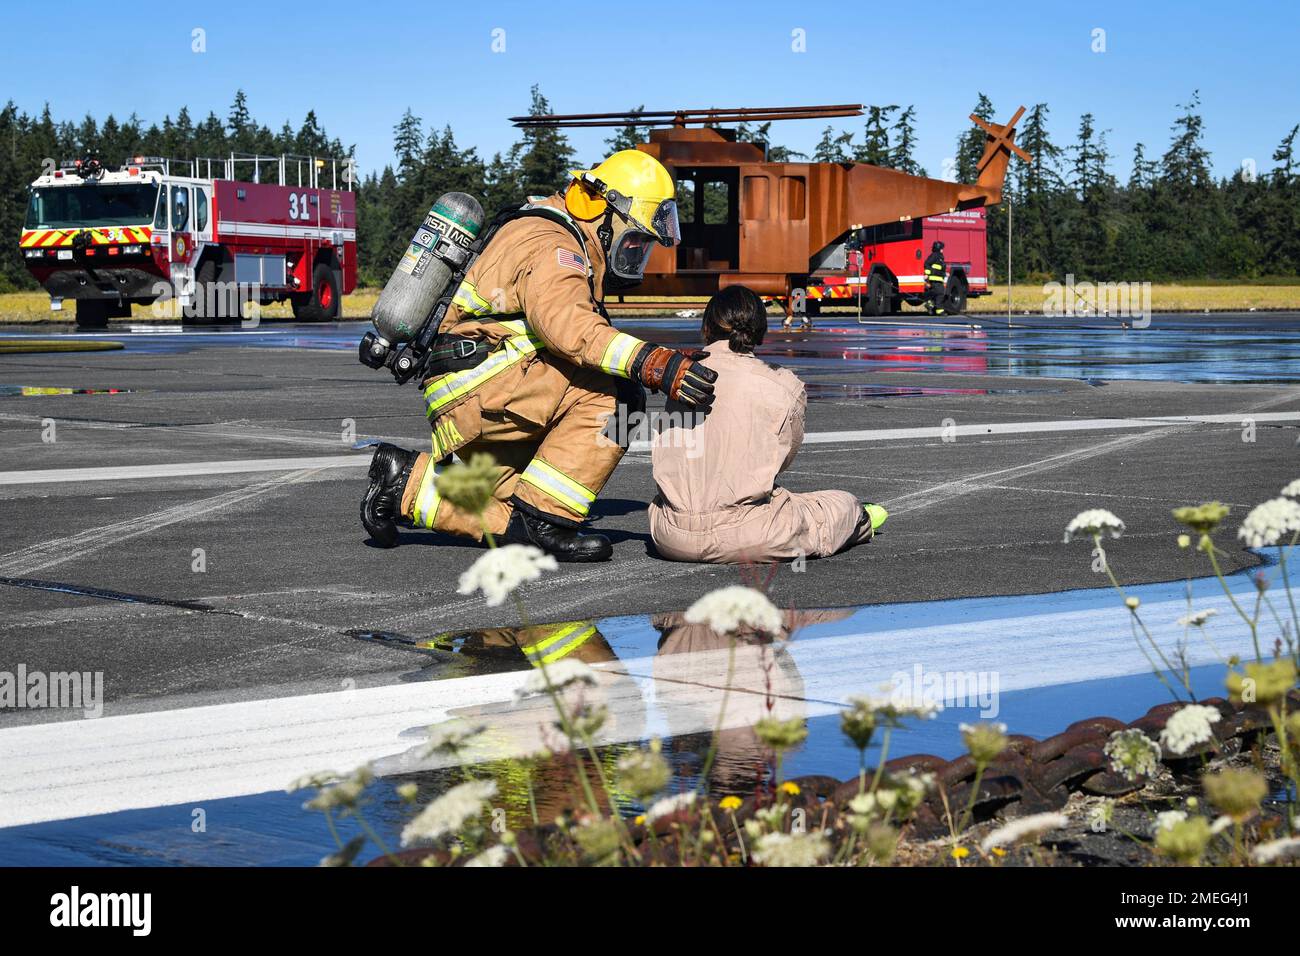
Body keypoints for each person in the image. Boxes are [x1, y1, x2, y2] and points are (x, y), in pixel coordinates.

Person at [360, 150, 718, 563]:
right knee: (623, 396)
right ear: (598, 209)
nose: (636, 253)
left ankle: (402, 482)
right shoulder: (553, 246)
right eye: (633, 240)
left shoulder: (554, 235)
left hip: (477, 389)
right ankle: (549, 520)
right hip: (486, 386)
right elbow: (570, 329)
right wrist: (653, 363)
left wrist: (660, 359)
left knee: (509, 514)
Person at [648, 285, 887, 563]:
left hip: (669, 535)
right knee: (841, 504)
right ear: (759, 331)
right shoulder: (783, 385)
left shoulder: (680, 374)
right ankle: (863, 520)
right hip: (751, 534)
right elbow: (782, 457)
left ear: (706, 328)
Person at [923, 240, 947, 315]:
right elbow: (927, 264)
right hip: (934, 278)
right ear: (939, 248)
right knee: (940, 293)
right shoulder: (935, 255)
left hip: (938, 279)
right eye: (942, 248)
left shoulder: (939, 256)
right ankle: (939, 310)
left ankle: (930, 304)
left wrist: (944, 274)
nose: (943, 250)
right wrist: (927, 275)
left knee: (936, 293)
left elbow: (940, 268)